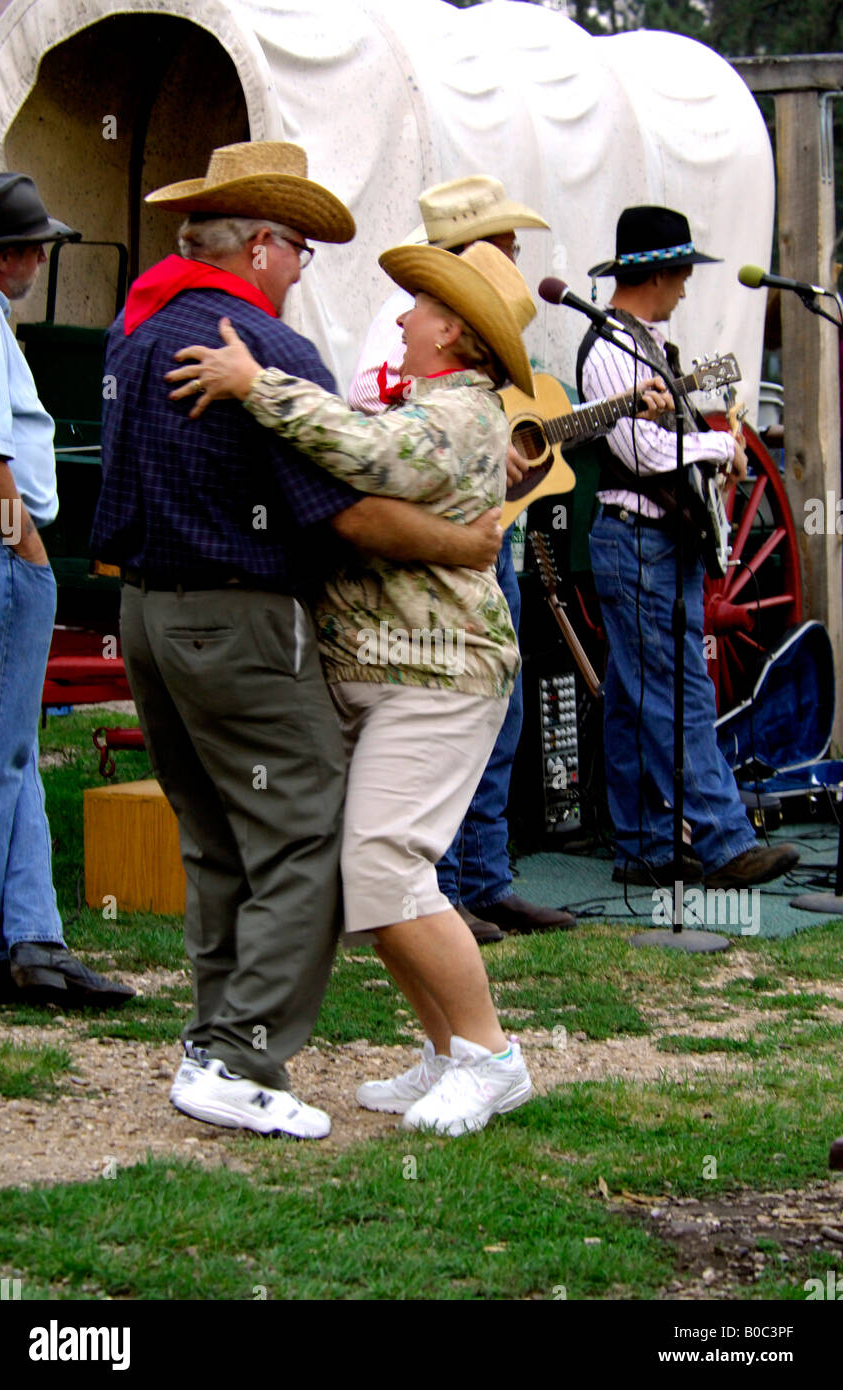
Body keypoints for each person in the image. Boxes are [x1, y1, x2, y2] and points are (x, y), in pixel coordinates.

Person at [169, 241, 670, 1135]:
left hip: (436, 677)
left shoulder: (461, 414)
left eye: (416, 309)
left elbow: (367, 454)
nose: (399, 320)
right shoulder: (440, 406)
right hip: (395, 674)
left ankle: (491, 1058)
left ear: (454, 331)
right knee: (382, 875)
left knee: (382, 865)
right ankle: (445, 1052)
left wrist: (257, 385)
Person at [90, 142, 502, 1141]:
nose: (307, 266)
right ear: (264, 245)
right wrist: (467, 544)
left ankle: (213, 1037)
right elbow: (347, 519)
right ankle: (242, 1057)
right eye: (305, 249)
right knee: (308, 832)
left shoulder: (136, 325)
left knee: (218, 835)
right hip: (239, 620)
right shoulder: (264, 347)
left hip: (142, 613)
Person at [349, 174, 575, 943]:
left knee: (497, 712)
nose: (512, 255)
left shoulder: (460, 322)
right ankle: (442, 886)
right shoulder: (406, 318)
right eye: (502, 244)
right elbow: (373, 415)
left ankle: (483, 876)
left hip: (482, 529)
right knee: (448, 704)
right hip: (437, 546)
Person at [577, 205, 799, 889]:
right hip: (637, 537)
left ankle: (644, 842)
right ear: (661, 273)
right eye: (681, 275)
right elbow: (638, 449)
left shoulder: (638, 344)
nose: (685, 289)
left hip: (648, 540)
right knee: (679, 696)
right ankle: (726, 838)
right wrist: (715, 445)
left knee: (631, 698)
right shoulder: (614, 351)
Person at [0, 173, 136, 1009]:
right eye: (36, 245)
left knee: (9, 750)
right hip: (0, 547)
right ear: (8, 255)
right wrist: (30, 547)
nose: (43, 257)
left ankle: (30, 937)